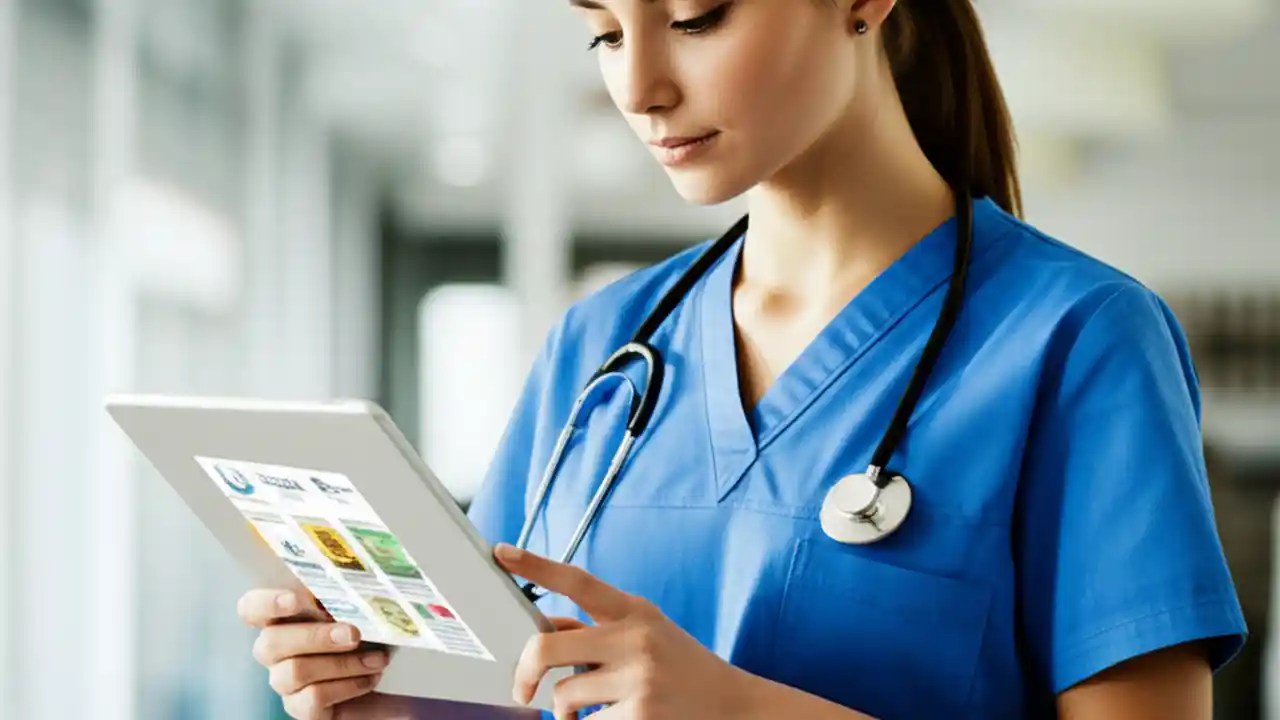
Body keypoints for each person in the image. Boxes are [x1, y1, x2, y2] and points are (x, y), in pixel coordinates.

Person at [236, 1, 1248, 718]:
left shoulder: (1077, 341)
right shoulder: (599, 350)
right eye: (600, 30)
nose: (637, 85)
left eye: (695, 18)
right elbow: (518, 695)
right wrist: (390, 699)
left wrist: (742, 713)